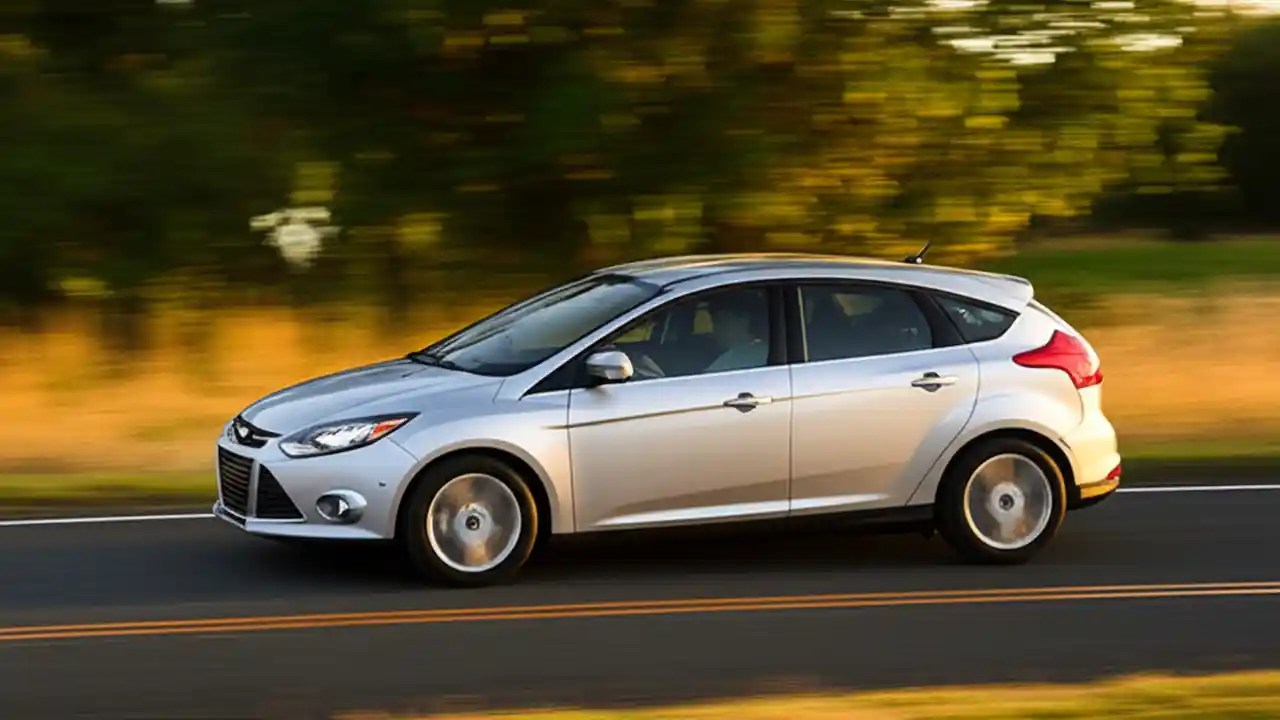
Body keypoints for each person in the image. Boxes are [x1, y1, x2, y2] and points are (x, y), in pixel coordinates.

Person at [704, 292, 768, 372]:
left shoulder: (734, 361)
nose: (715, 330)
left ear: (743, 319)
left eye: (721, 321)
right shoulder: (767, 353)